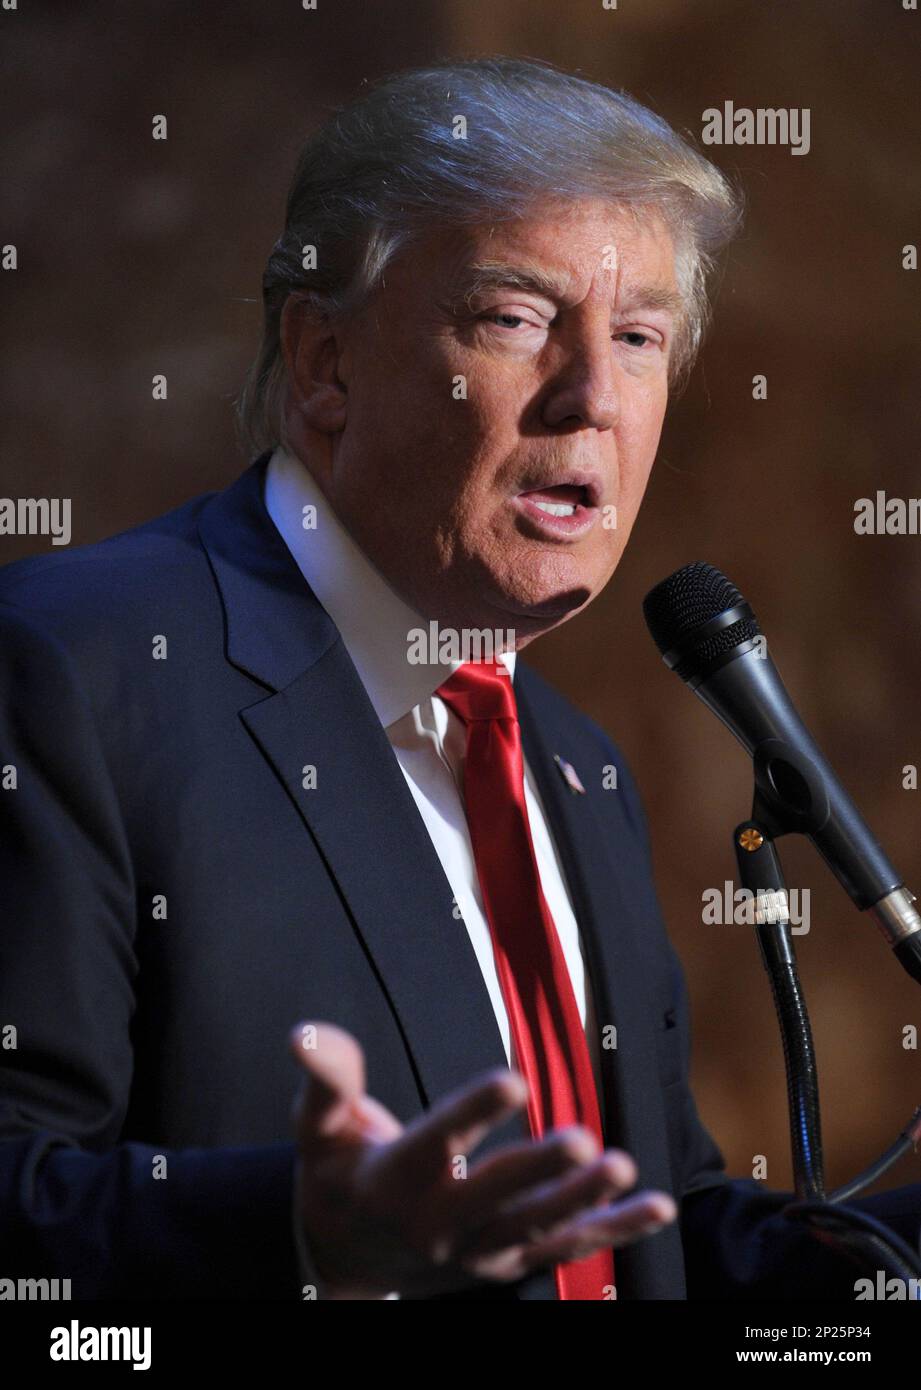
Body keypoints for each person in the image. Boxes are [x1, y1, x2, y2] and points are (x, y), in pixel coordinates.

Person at [0, 56, 916, 1302]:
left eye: (640, 336)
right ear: (324, 364)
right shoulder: (69, 672)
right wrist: (303, 1235)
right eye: (516, 319)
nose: (594, 396)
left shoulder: (578, 765)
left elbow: (636, 1246)